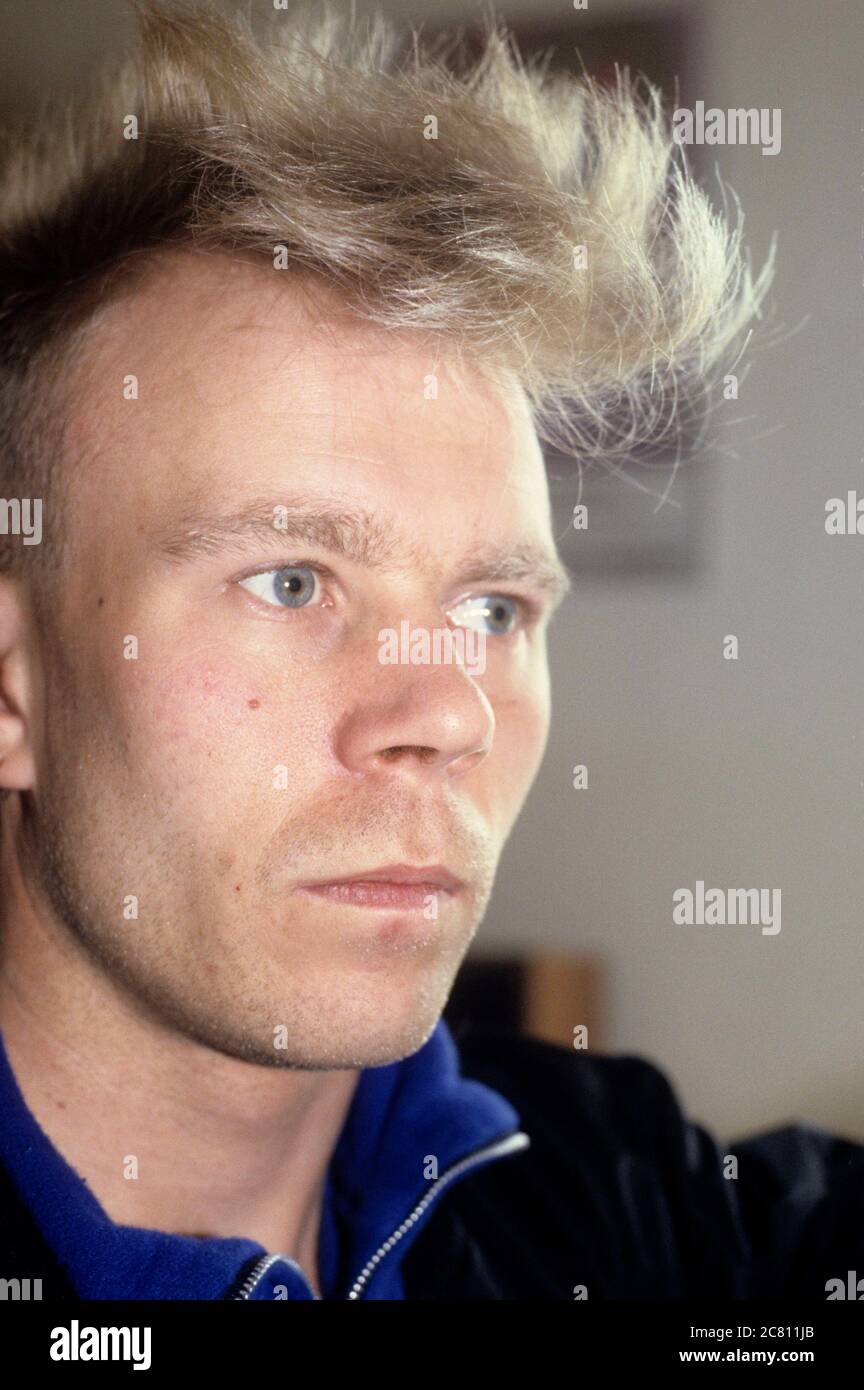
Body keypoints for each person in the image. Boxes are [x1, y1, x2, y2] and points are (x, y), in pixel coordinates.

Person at [0, 0, 859, 1302]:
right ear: (12, 683)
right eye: (292, 580)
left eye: (492, 608)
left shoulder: (639, 1203)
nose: (449, 712)